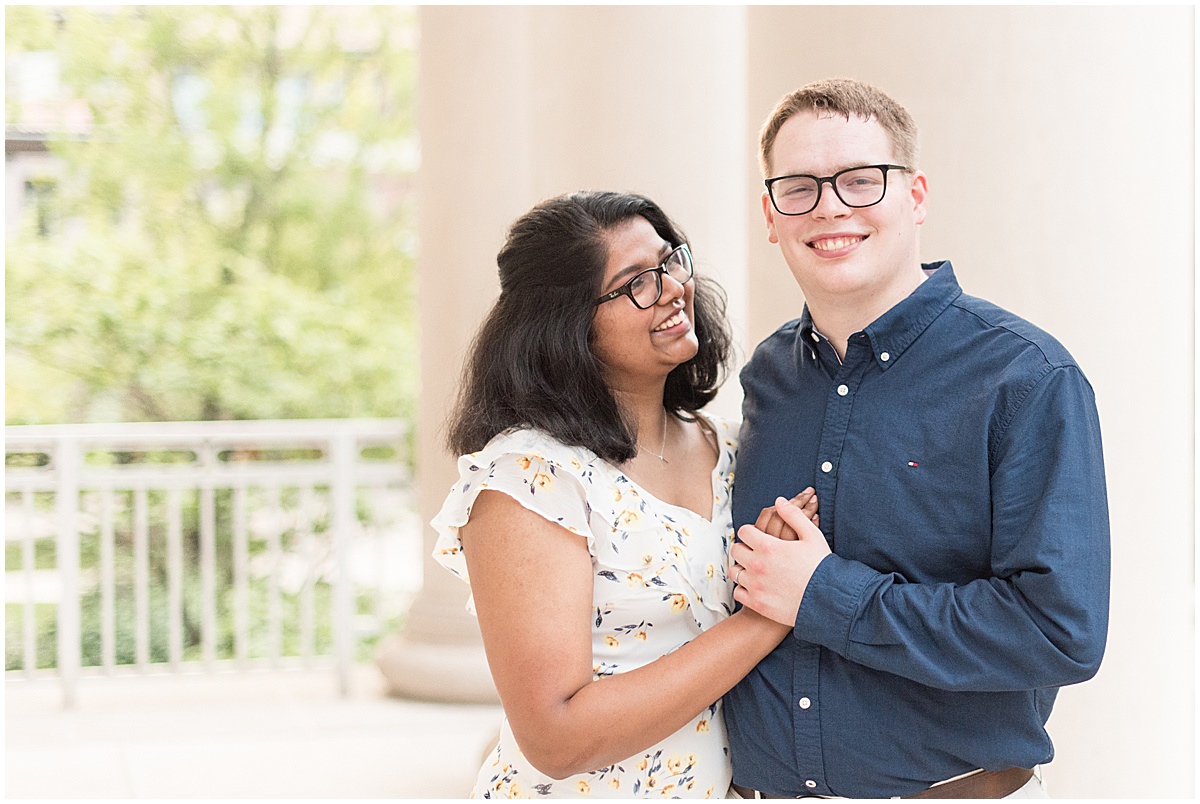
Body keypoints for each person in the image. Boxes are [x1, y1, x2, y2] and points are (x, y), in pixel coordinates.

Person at [723, 78, 1110, 799]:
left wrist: (826, 594)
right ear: (771, 215)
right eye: (799, 186)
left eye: (861, 181)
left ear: (917, 196)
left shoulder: (1026, 378)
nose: (831, 206)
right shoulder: (768, 377)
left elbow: (1061, 632)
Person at [431, 190, 817, 799]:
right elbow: (557, 740)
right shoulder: (529, 480)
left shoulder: (733, 448)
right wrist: (764, 619)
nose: (671, 289)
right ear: (566, 324)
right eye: (636, 282)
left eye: (671, 262)